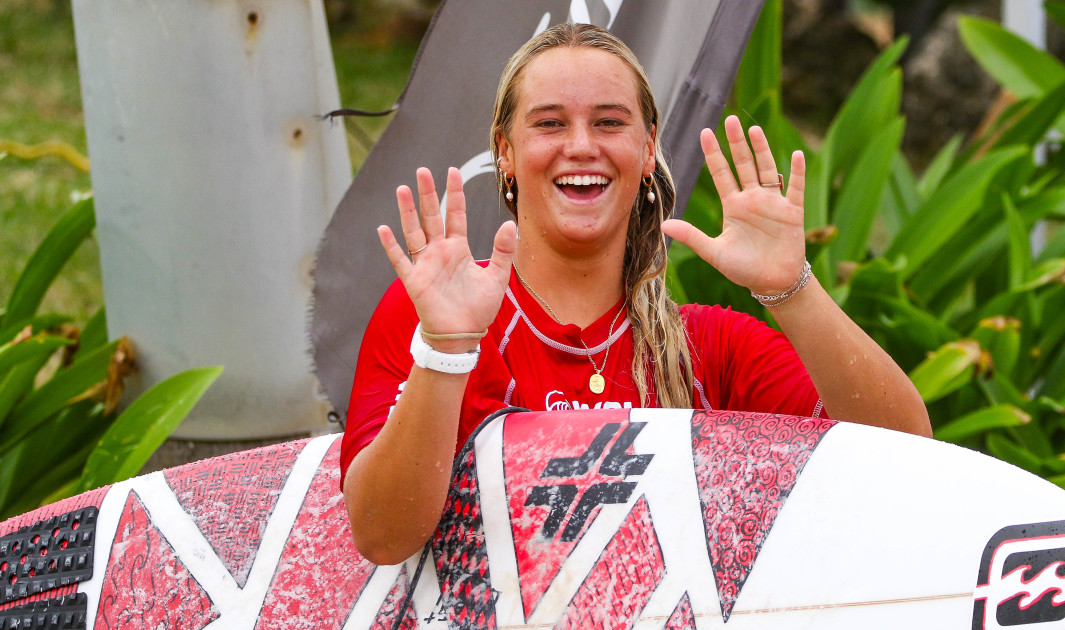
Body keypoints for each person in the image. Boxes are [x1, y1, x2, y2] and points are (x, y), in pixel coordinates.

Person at [341, 23, 930, 566]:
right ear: (506, 151)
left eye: (609, 122)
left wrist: (790, 289)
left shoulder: (710, 348)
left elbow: (908, 458)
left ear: (648, 149)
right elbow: (382, 536)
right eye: (549, 123)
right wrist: (446, 351)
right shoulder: (441, 317)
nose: (580, 146)